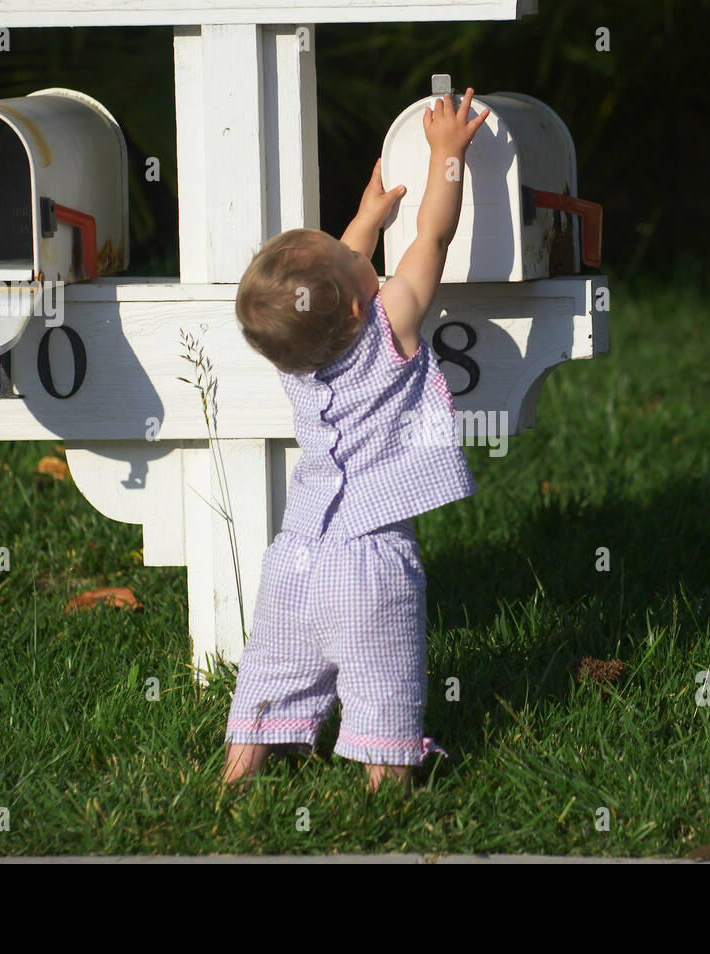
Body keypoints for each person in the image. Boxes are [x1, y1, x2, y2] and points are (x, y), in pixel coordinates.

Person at [222, 88, 491, 794]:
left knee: (275, 661)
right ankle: (386, 777)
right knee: (384, 672)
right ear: (356, 300)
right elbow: (432, 237)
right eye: (354, 258)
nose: (360, 254)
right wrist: (447, 158)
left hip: (297, 554)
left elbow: (335, 274)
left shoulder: (295, 362)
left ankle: (240, 765)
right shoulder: (389, 328)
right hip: (369, 558)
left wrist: (368, 219)